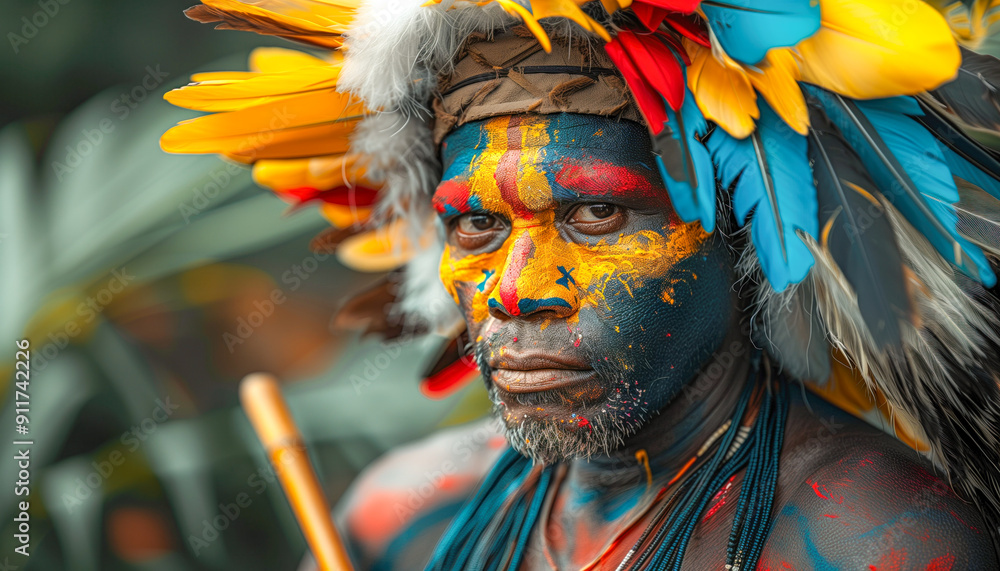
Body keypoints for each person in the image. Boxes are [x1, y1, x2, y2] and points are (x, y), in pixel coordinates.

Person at [163, 1, 1000, 569]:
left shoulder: (879, 544)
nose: (516, 290)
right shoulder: (401, 520)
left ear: (745, 236)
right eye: (477, 225)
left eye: (597, 213)